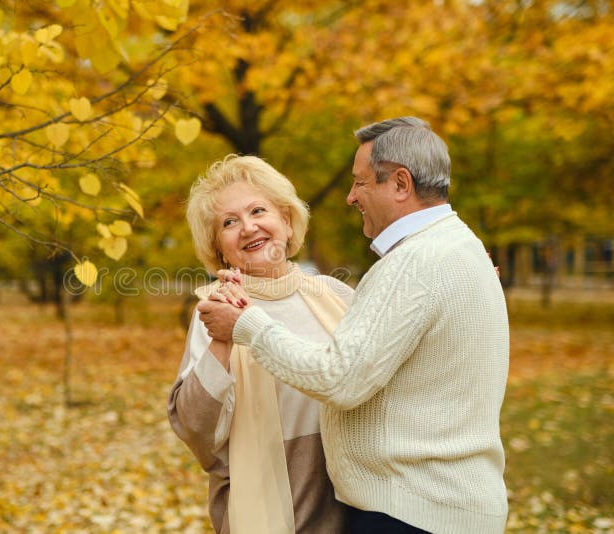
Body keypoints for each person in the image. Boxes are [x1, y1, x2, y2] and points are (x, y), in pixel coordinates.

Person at [199, 117, 509, 533]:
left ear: (400, 184)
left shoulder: (411, 264)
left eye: (360, 183)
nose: (349, 197)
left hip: (414, 512)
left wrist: (247, 326)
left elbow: (338, 378)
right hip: (429, 504)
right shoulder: (457, 248)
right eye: (229, 221)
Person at [167, 155, 354, 533]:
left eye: (258, 210)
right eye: (229, 222)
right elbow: (196, 430)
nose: (249, 228)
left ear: (285, 220)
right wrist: (222, 343)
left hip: (352, 511)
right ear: (218, 247)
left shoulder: (339, 296)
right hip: (267, 517)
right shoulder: (214, 310)